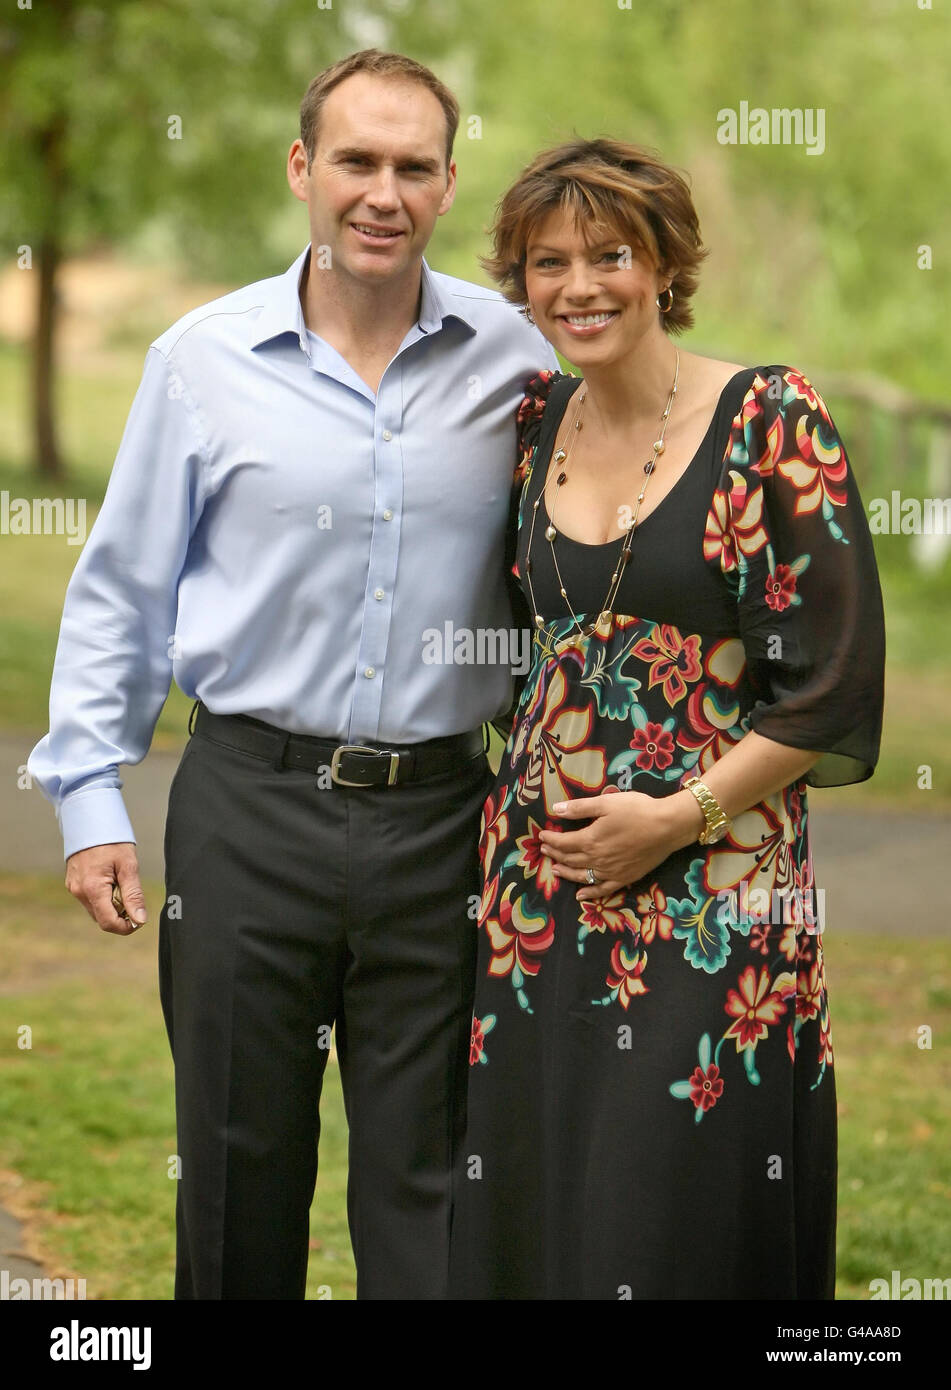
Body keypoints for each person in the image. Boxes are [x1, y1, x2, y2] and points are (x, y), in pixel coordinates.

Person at [27, 49, 556, 1300]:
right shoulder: (200, 360)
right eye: (357, 162)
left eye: (413, 167)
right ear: (302, 170)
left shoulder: (520, 360)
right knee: (233, 1164)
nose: (384, 192)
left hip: (446, 825)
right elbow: (122, 592)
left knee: (431, 1182)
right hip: (246, 811)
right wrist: (90, 796)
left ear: (447, 182)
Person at [448, 138, 886, 1300]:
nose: (578, 285)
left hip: (714, 901)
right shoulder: (534, 422)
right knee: (545, 1198)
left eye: (609, 255)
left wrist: (676, 817)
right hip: (539, 904)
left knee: (669, 1206)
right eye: (548, 262)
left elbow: (831, 687)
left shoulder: (769, 419)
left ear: (664, 266)